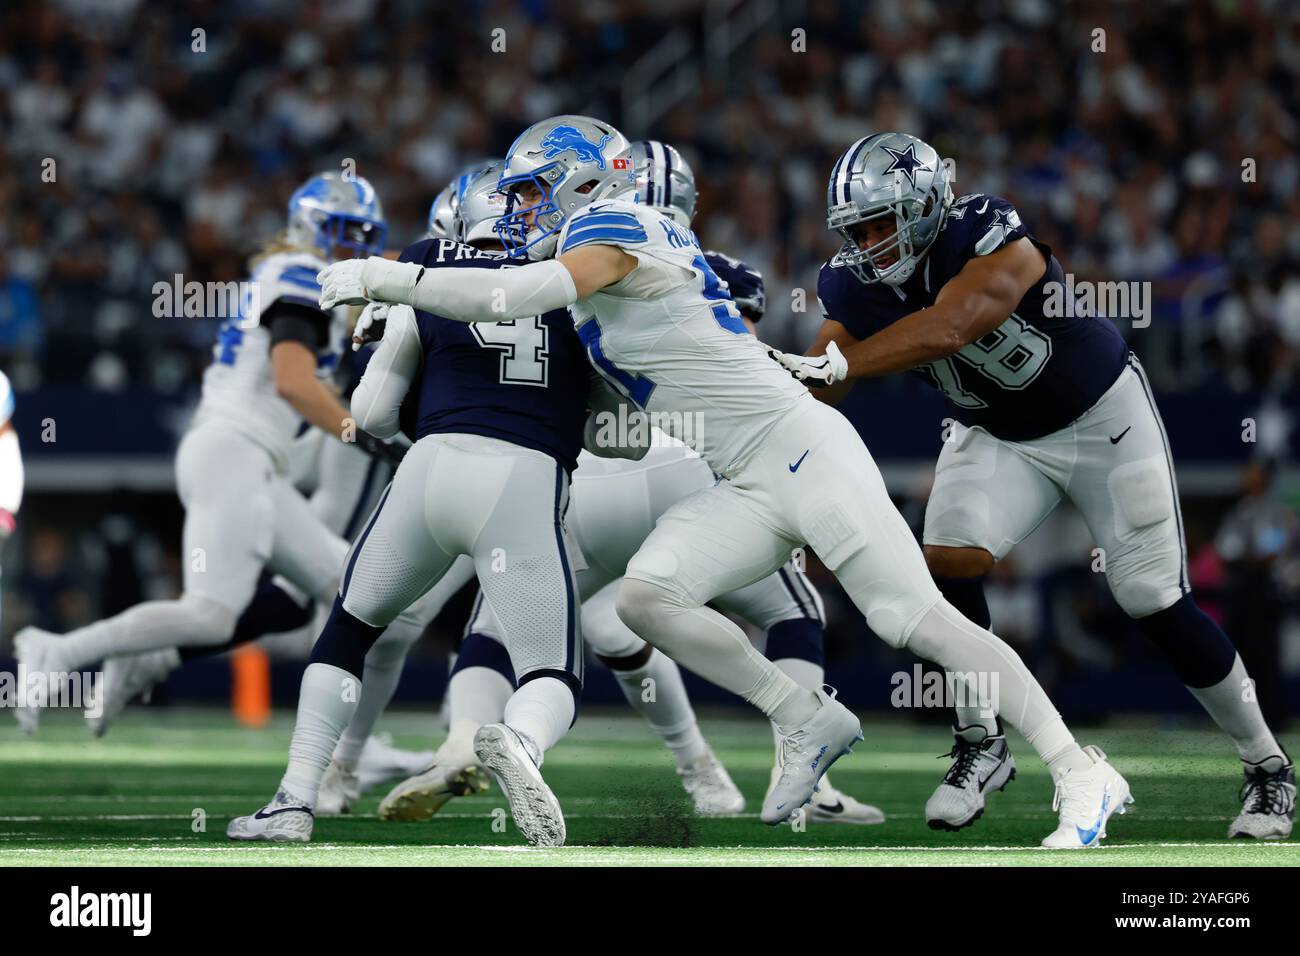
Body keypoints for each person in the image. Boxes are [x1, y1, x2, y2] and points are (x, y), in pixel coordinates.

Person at [318, 115, 1131, 848]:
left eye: (532, 190)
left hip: (801, 447)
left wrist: (389, 279)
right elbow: (618, 421)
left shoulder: (620, 224)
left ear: (586, 179)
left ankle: (1079, 769)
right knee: (646, 598)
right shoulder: (590, 273)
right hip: (746, 475)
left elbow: (519, 292)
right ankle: (804, 717)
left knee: (910, 617)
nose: (519, 208)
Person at [771, 131, 1292, 840]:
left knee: (1152, 599)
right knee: (947, 561)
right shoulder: (855, 283)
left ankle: (1267, 768)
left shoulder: (987, 231)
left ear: (925, 206)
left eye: (876, 224)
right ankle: (980, 741)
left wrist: (843, 366)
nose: (865, 244)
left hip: (1101, 417)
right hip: (995, 433)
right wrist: (771, 414)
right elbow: (816, 377)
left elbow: (953, 325)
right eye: (853, 230)